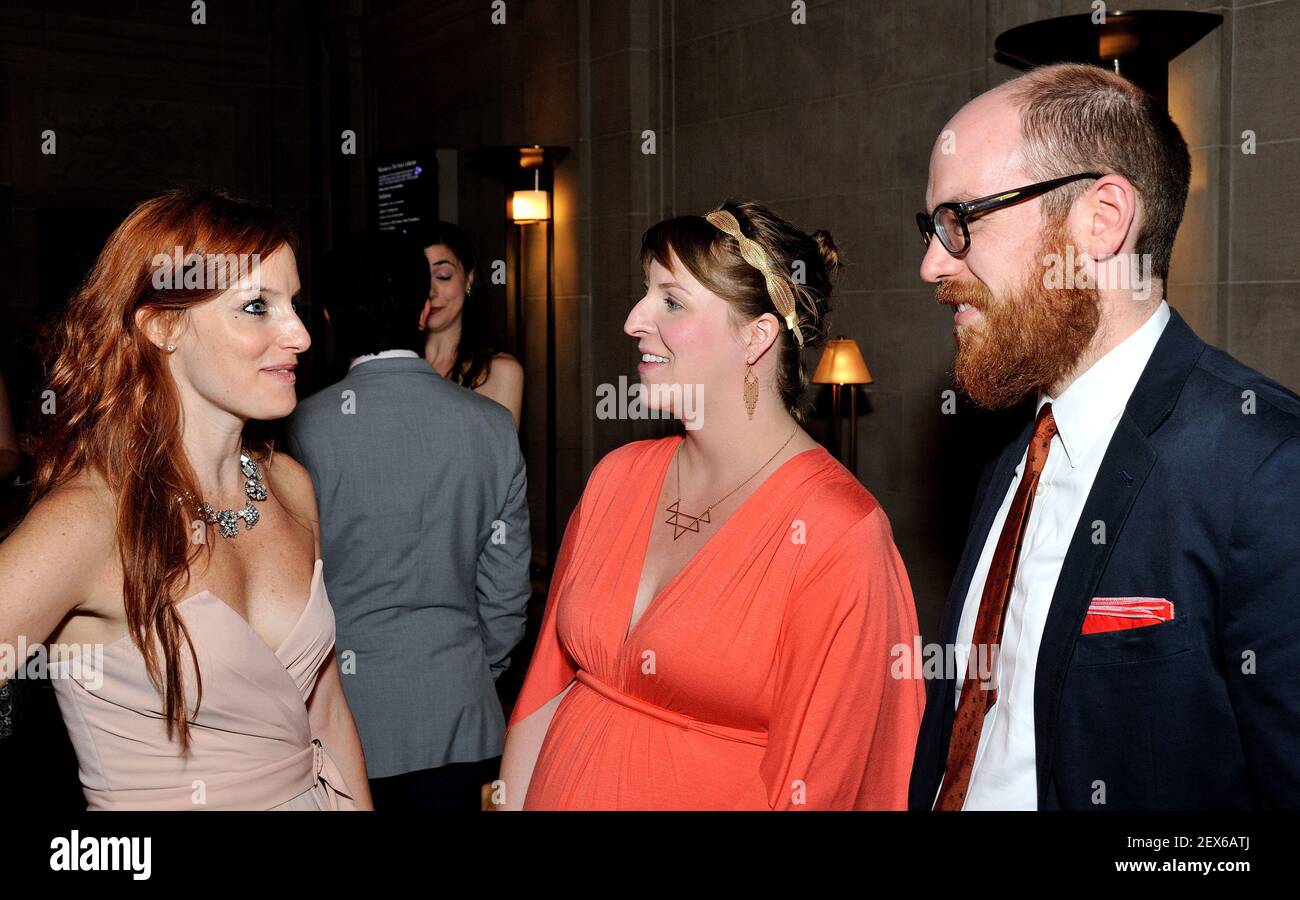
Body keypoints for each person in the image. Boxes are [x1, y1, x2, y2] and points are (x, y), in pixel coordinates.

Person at [909, 63, 1300, 811]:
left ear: (1103, 217)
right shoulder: (1009, 450)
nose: (932, 264)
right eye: (931, 228)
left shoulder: (1267, 468)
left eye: (960, 221)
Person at [499, 200, 924, 810]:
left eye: (671, 302)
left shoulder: (837, 532)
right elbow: (543, 691)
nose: (634, 320)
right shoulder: (617, 479)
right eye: (645, 294)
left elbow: (826, 781)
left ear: (756, 337)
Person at [0, 188, 370, 810]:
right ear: (163, 326)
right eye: (257, 306)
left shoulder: (288, 485)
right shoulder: (89, 521)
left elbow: (326, 710)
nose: (301, 335)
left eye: (294, 304)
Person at [285, 232, 531, 811]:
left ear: (327, 319)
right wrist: (468, 667)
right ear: (423, 310)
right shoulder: (491, 425)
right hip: (460, 714)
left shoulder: (297, 430)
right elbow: (506, 591)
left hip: (336, 721)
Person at [418, 221, 524, 428]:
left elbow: (499, 449)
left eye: (443, 276)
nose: (431, 292)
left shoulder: (500, 371)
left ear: (468, 279)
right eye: (421, 277)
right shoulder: (391, 365)